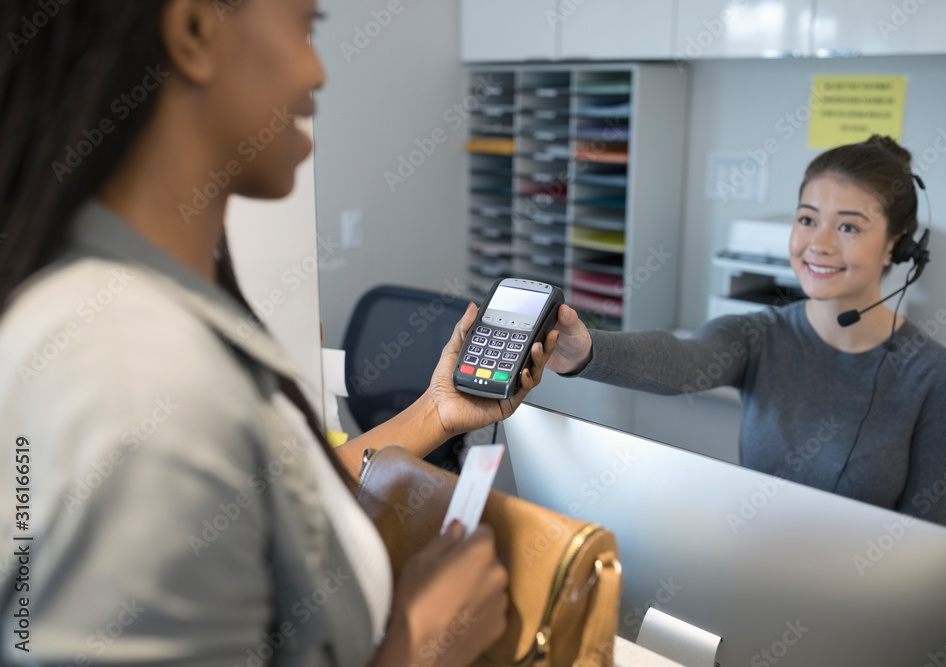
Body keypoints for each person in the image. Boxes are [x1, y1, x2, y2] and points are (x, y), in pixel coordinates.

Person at [0, 1, 558, 665]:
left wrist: (438, 411)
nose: (317, 70)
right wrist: (419, 647)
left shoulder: (98, 316)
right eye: (305, 25)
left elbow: (273, 499)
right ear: (197, 30)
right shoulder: (143, 381)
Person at [547, 135, 946, 526]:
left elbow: (926, 548)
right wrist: (586, 351)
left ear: (896, 247)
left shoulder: (939, 379)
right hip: (756, 572)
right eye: (807, 219)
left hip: (861, 598)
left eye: (848, 227)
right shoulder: (760, 336)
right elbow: (683, 360)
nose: (819, 244)